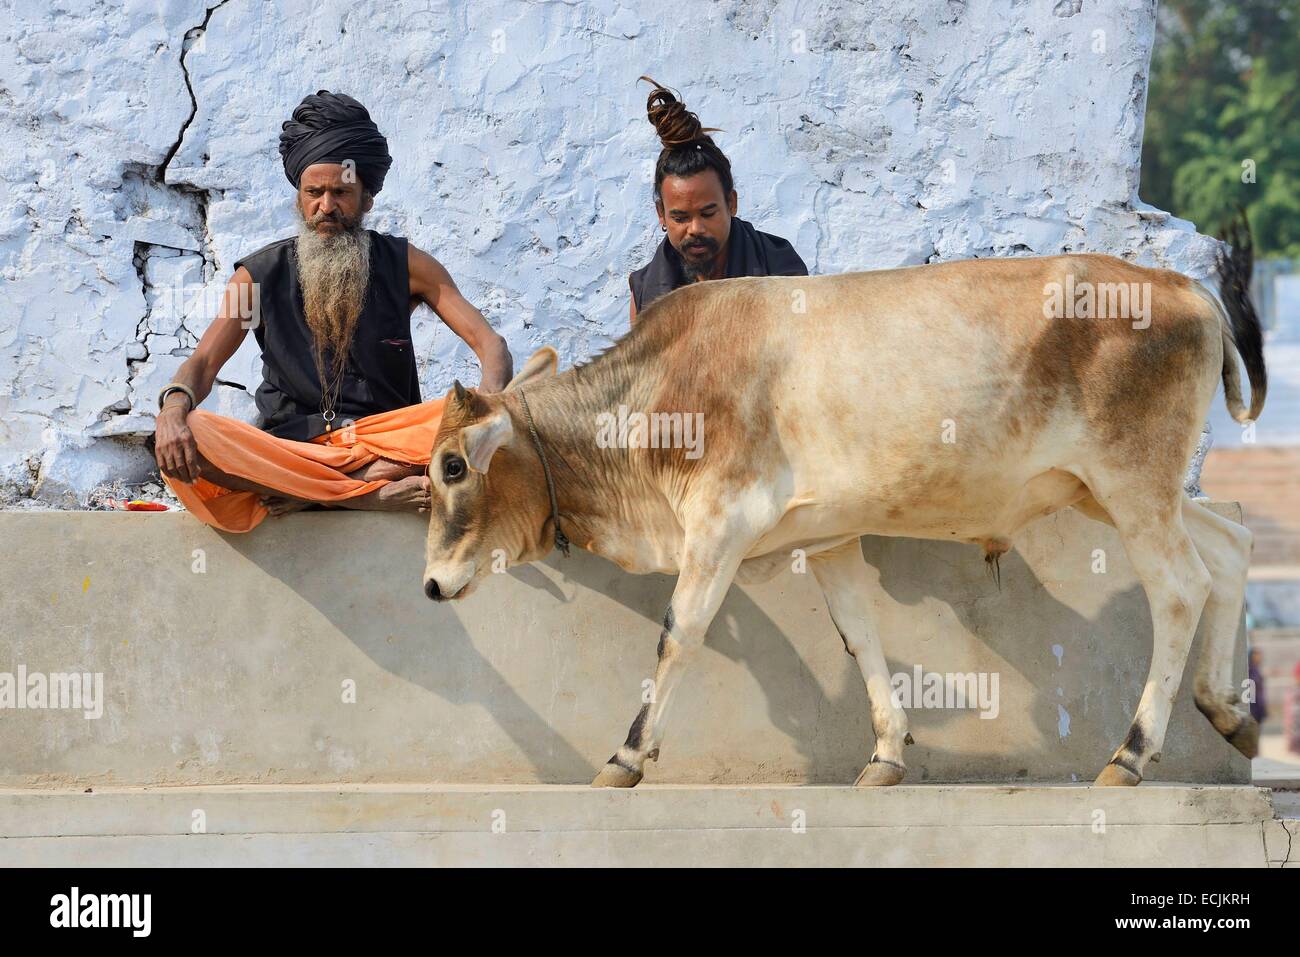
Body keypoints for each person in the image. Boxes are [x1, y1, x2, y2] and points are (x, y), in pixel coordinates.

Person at [152, 91, 511, 532]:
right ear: (299, 198)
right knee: (198, 438)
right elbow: (205, 363)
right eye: (314, 192)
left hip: (389, 445)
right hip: (294, 448)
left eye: (341, 193)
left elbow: (489, 344)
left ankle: (308, 493)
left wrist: (486, 411)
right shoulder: (257, 278)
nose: (327, 206)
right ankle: (363, 493)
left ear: (366, 200)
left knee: (484, 423)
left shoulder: (407, 266)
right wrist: (172, 410)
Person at [628, 77, 808, 324]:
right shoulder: (644, 292)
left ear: (731, 203)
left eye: (708, 213)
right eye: (680, 218)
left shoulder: (779, 268)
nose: (695, 229)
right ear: (662, 214)